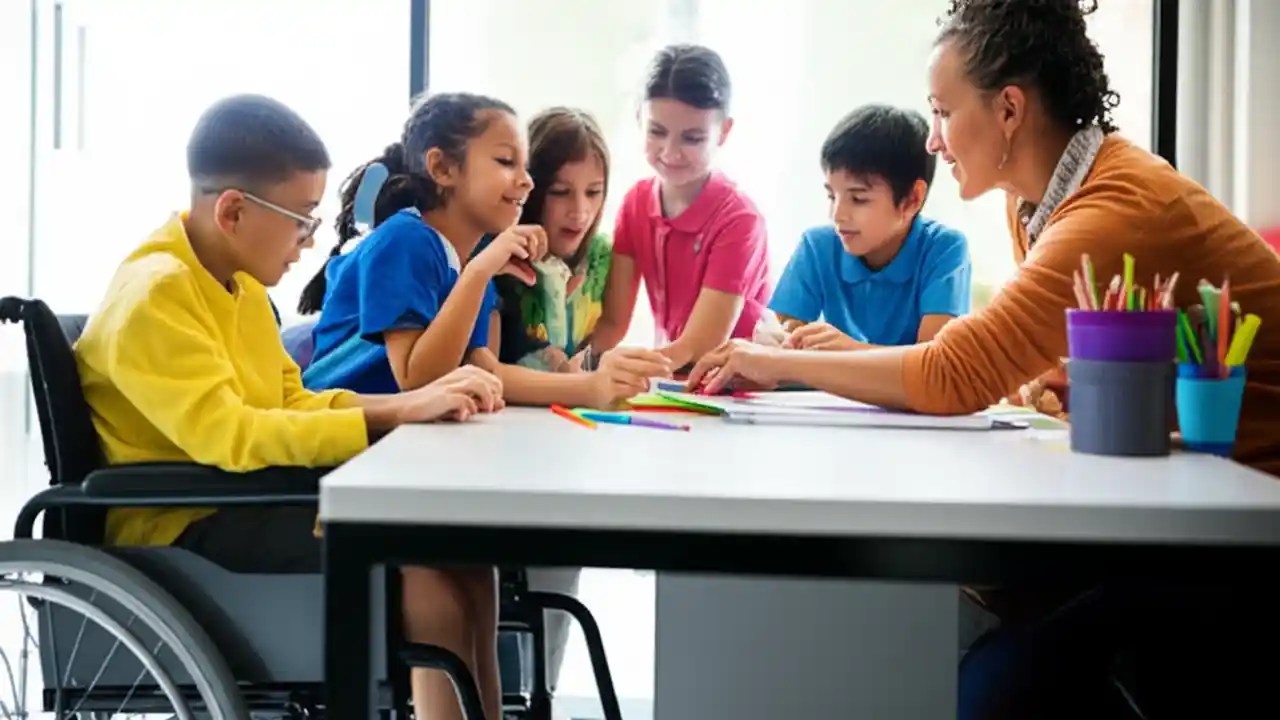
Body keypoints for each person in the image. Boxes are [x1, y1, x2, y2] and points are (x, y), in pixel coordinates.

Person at [688, 1, 1280, 716]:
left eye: (942, 112)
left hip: (1242, 521)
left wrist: (782, 363)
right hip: (1184, 502)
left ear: (1008, 110)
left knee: (982, 686)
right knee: (967, 613)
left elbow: (954, 373)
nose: (933, 139)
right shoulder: (1038, 203)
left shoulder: (1112, 208)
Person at [74, 95, 505, 720]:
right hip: (188, 524)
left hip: (248, 499)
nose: (310, 241)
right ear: (233, 211)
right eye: (302, 219)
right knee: (425, 566)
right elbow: (233, 436)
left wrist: (408, 405)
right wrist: (394, 415)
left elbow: (292, 400)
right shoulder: (156, 296)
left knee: (465, 554)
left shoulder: (239, 286)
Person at [299, 92, 670, 408]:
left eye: (526, 167)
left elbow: (483, 371)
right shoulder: (405, 240)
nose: (526, 182)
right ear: (443, 168)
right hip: (339, 443)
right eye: (506, 162)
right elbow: (419, 378)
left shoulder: (471, 259)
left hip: (406, 438)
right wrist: (479, 272)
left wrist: (592, 384)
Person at [591, 44, 772, 371]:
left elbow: (700, 346)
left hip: (738, 382)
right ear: (639, 119)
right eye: (657, 132)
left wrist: (621, 367)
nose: (670, 152)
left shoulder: (740, 220)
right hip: (675, 376)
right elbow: (613, 323)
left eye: (692, 138)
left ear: (723, 131)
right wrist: (572, 365)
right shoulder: (636, 203)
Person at [769, 104, 971, 351]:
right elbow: (778, 337)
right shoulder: (817, 246)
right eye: (832, 196)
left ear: (912, 199)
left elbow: (933, 361)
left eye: (858, 199)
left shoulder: (944, 249)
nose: (837, 215)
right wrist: (787, 339)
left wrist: (848, 351)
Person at [491, 107, 613, 373]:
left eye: (593, 192)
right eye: (560, 192)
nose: (579, 211)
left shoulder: (602, 256)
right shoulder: (497, 258)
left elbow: (601, 347)